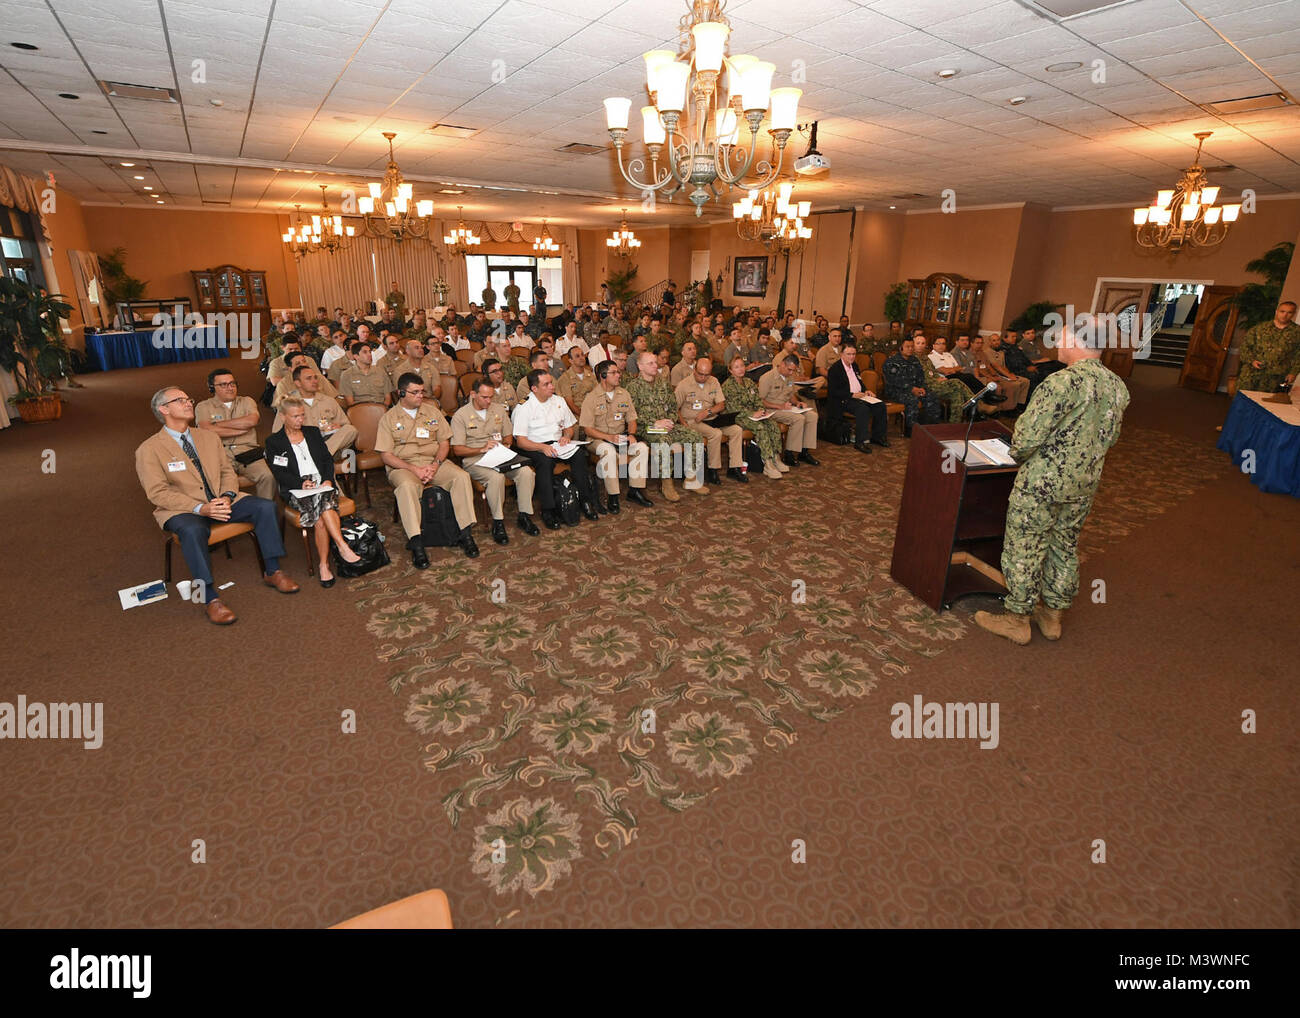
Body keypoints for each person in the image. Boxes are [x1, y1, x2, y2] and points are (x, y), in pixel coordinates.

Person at [974, 325, 1130, 645]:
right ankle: (1052, 615)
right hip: (1084, 484)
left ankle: (1018, 618)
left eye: (1062, 337)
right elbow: (1110, 439)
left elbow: (1027, 439)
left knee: (1025, 546)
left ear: (1076, 342)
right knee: (1064, 545)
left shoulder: (1060, 382)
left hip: (1041, 483)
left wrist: (1016, 451)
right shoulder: (1117, 386)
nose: (1057, 342)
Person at [136, 386, 298, 624]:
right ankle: (209, 598)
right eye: (180, 400)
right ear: (163, 409)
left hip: (221, 500)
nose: (189, 402)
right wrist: (200, 508)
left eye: (188, 398)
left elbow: (226, 471)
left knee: (265, 507)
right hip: (184, 509)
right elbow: (157, 493)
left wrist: (228, 495)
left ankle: (272, 571)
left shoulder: (208, 437)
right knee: (192, 531)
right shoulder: (149, 449)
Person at [375, 373, 480, 567]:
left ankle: (465, 533)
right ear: (401, 393)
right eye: (415, 392)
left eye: (422, 391)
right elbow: (387, 456)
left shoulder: (432, 411)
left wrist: (435, 465)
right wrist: (413, 469)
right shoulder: (388, 418)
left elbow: (443, 442)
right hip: (404, 465)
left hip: (433, 462)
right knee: (406, 487)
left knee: (461, 477)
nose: (420, 396)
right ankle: (416, 542)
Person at [264, 397, 362, 588]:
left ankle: (324, 564)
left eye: (302, 415)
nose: (300, 420)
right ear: (283, 416)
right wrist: (301, 483)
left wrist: (326, 478)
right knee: (321, 513)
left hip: (321, 482)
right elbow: (279, 472)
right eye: (295, 416)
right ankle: (341, 546)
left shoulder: (312, 432)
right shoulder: (274, 442)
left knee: (320, 516)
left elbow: (326, 460)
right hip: (297, 489)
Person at [450, 377, 539, 544]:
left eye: (491, 396)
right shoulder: (460, 416)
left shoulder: (497, 409)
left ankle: (524, 515)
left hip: (499, 456)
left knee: (526, 472)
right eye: (484, 397)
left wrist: (504, 446)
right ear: (473, 394)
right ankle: (498, 522)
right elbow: (458, 450)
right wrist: (481, 449)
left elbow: (507, 435)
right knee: (495, 477)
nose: (488, 400)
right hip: (474, 458)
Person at [511, 368, 601, 528]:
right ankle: (548, 510)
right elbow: (521, 441)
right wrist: (541, 447)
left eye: (551, 383)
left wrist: (567, 436)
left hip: (558, 444)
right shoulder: (524, 407)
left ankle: (586, 501)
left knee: (580, 455)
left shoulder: (558, 401)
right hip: (533, 446)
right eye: (546, 384)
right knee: (545, 462)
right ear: (534, 388)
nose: (552, 386)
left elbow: (569, 427)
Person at [626, 351, 707, 502]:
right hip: (646, 428)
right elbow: (632, 415)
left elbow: (672, 406)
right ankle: (667, 483)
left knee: (694, 436)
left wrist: (669, 420)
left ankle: (691, 478)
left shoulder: (663, 382)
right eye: (650, 363)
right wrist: (655, 423)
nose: (655, 366)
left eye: (655, 362)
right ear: (640, 366)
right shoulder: (633, 387)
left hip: (667, 425)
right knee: (663, 441)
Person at [580, 359, 654, 513]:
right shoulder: (591, 397)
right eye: (614, 373)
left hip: (621, 436)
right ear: (603, 375)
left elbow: (632, 419)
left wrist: (632, 434)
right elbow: (587, 429)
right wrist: (608, 437)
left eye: (618, 372)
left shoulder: (623, 393)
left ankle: (635, 491)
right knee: (608, 451)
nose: (619, 375)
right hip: (597, 439)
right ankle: (613, 496)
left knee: (641, 447)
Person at [194, 369, 276, 500]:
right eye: (223, 384)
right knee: (214, 481)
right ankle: (226, 513)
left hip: (248, 451)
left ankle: (265, 509)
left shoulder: (247, 401)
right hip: (219, 453)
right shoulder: (203, 406)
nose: (230, 388)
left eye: (232, 383)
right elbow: (205, 429)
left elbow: (252, 420)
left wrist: (216, 424)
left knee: (268, 476)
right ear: (212, 388)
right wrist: (240, 428)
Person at [675, 354, 743, 486]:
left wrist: (708, 412)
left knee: (736, 430)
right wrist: (684, 425)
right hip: (693, 421)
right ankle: (713, 470)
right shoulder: (684, 385)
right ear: (694, 370)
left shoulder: (714, 381)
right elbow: (674, 408)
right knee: (715, 434)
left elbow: (721, 404)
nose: (704, 378)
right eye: (700, 374)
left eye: (707, 374)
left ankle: (735, 468)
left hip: (712, 418)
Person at [271, 365, 357, 457]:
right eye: (309, 378)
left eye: (315, 377)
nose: (314, 381)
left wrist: (338, 426)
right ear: (298, 383)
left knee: (351, 430)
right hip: (303, 444)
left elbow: (345, 424)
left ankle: (320, 454)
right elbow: (277, 433)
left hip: (329, 442)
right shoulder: (288, 404)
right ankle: (320, 456)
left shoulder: (329, 400)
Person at [723, 356, 783, 479]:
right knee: (760, 427)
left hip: (754, 414)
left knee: (772, 423)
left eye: (742, 366)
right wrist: (752, 414)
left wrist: (761, 410)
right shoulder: (728, 386)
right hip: (738, 416)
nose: (740, 369)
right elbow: (733, 408)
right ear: (731, 370)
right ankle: (767, 464)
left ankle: (776, 457)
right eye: (736, 367)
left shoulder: (749, 382)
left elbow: (757, 400)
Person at [826, 339, 890, 454]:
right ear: (842, 354)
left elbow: (859, 382)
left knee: (880, 405)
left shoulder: (854, 365)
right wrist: (852, 394)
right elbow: (833, 391)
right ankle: (861, 441)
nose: (851, 357)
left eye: (854, 354)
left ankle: (878, 436)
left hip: (860, 396)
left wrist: (867, 390)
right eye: (848, 354)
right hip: (844, 399)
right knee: (863, 409)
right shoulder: (835, 369)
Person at [758, 353, 820, 467]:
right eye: (789, 369)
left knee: (812, 415)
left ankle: (804, 451)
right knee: (798, 419)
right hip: (772, 410)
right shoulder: (767, 378)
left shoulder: (789, 377)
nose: (791, 373)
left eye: (793, 371)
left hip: (787, 408)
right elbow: (760, 401)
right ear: (782, 364)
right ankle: (789, 454)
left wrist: (798, 403)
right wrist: (780, 407)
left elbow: (790, 394)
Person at [882, 337, 941, 436]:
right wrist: (911, 389)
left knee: (932, 396)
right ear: (901, 348)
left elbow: (920, 377)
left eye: (911, 346)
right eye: (907, 347)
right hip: (896, 391)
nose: (910, 349)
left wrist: (921, 388)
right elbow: (894, 381)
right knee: (912, 400)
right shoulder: (892, 362)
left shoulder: (915, 360)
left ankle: (930, 427)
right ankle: (911, 430)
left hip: (915, 389)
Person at [1237, 300, 1299, 392]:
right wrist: (1251, 360)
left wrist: (1293, 373)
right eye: (1282, 311)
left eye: (1289, 312)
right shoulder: (1260, 328)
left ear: (1293, 314)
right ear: (1276, 311)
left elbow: (1298, 355)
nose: (1285, 315)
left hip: (1275, 377)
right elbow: (1245, 347)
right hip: (1251, 373)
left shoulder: (1297, 332)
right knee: (1242, 401)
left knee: (1265, 404)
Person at [913, 335, 974, 423]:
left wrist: (939, 378)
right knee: (956, 381)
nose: (920, 345)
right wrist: (935, 380)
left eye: (923, 343)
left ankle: (955, 423)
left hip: (936, 384)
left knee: (957, 393)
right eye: (918, 343)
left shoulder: (926, 358)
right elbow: (917, 378)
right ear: (913, 344)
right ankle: (972, 399)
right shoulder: (911, 359)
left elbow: (933, 372)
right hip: (925, 387)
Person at [339, 344, 392, 408]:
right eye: (365, 352)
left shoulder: (381, 371)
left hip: (381, 409)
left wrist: (383, 409)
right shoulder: (347, 375)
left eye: (370, 352)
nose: (369, 355)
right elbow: (350, 402)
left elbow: (388, 397)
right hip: (359, 411)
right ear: (356, 356)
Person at [555, 344, 597, 416]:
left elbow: (597, 395)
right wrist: (585, 417)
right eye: (577, 356)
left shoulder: (591, 375)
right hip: (576, 416)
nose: (581, 358)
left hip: (593, 411)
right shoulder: (565, 378)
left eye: (582, 355)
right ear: (571, 361)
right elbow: (570, 404)